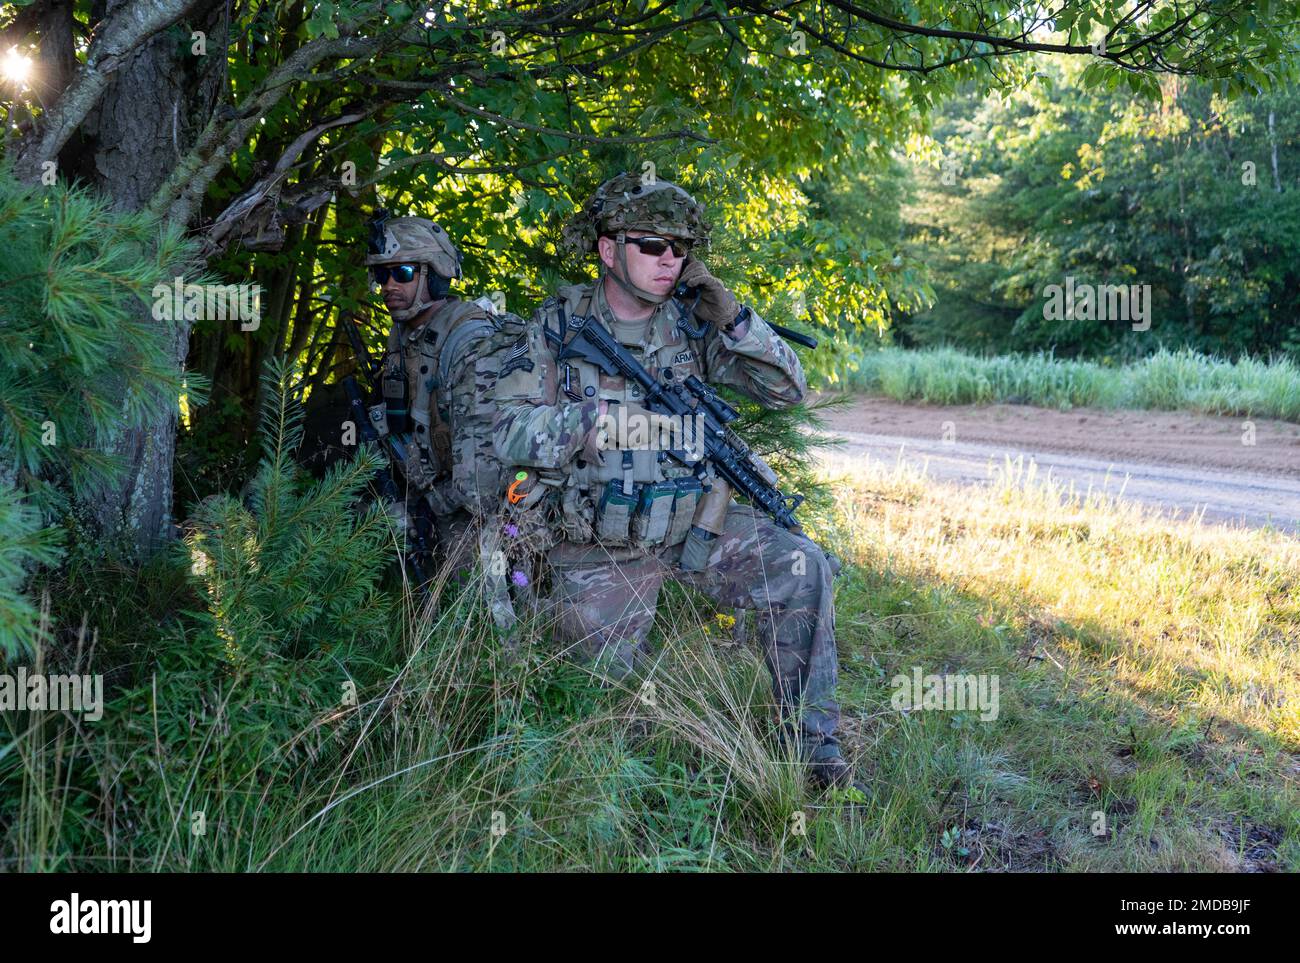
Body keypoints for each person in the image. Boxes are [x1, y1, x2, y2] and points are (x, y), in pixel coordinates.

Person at [486, 173, 860, 790]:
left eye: (679, 249)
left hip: (695, 530)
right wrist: (605, 422)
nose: (669, 260)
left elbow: (787, 392)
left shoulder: (688, 329)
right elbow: (506, 430)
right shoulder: (555, 328)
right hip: (599, 547)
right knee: (594, 724)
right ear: (609, 249)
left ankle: (814, 749)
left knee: (803, 566)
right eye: (652, 245)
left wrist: (737, 319)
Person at [365, 213, 507, 575]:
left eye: (404, 273)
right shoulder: (403, 335)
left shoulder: (468, 340)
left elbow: (483, 479)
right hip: (428, 496)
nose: (389, 285)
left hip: (477, 511)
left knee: (480, 613)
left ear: (436, 275)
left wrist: (435, 504)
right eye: (382, 275)